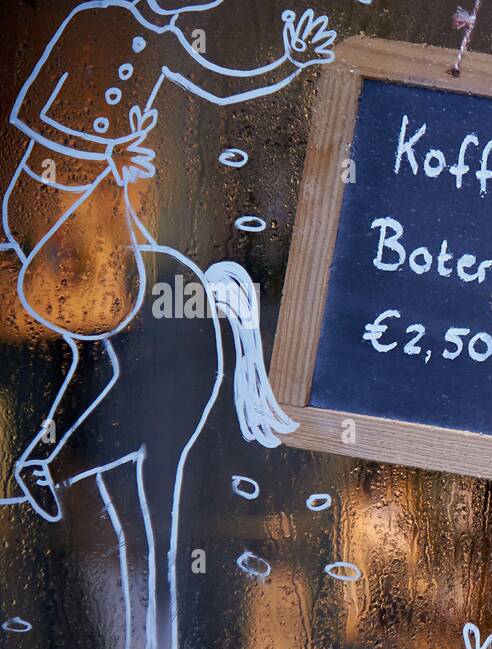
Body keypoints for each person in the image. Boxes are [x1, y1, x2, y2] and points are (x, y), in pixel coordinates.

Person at [2, 0, 334, 520]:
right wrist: (106, 155)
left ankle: (43, 463)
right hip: (42, 205)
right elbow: (31, 117)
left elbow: (224, 85)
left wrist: (290, 64)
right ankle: (41, 464)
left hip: (100, 210)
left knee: (110, 348)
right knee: (98, 342)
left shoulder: (167, 43)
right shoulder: (95, 21)